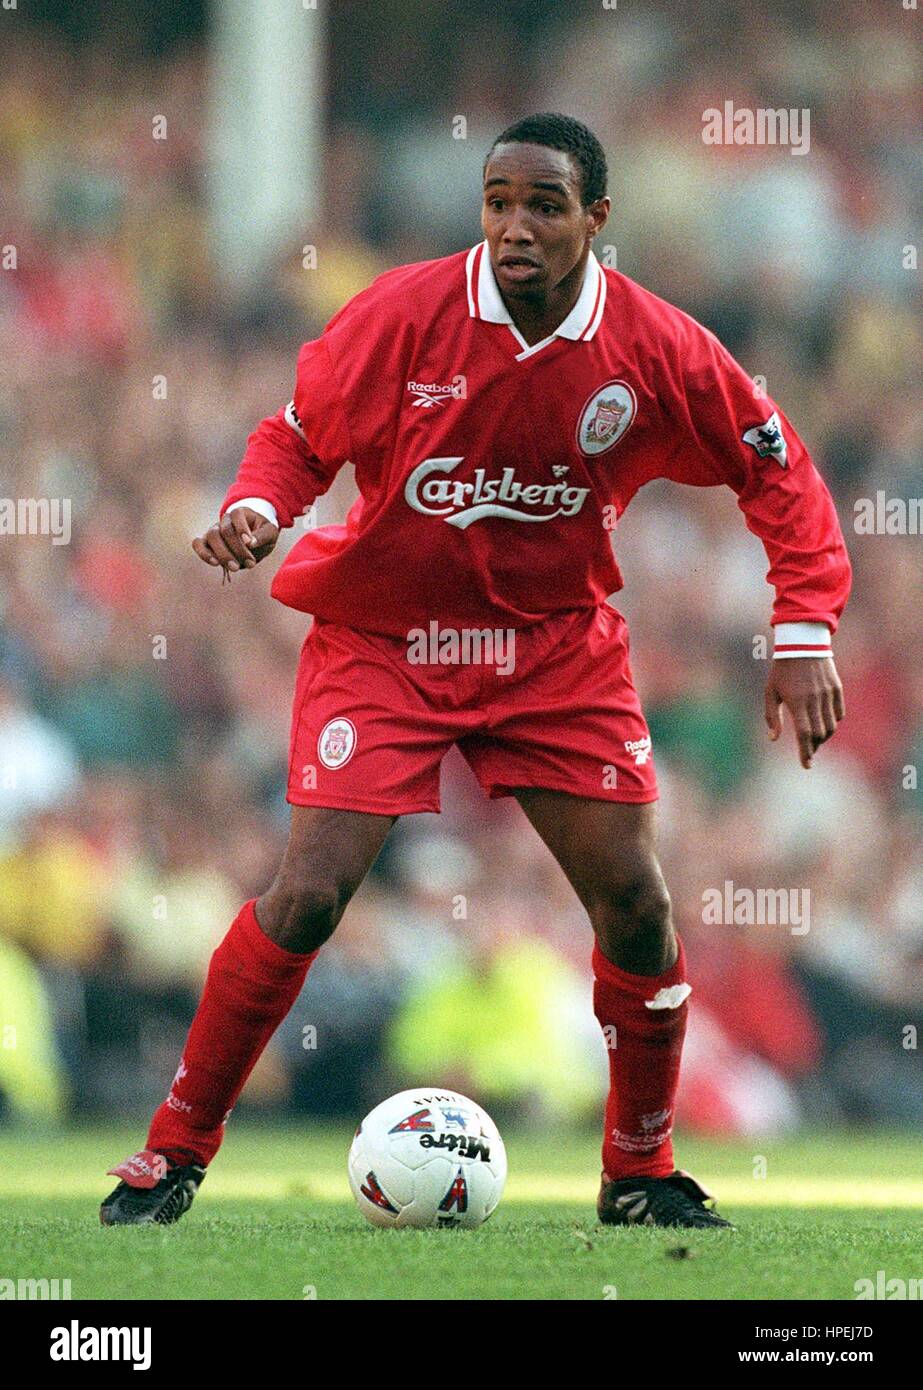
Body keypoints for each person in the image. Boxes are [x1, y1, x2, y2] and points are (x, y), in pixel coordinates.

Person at [101, 113, 849, 1229]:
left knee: (636, 907)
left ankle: (637, 1169)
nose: (514, 226)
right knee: (307, 892)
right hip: (386, 642)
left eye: (542, 205)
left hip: (553, 650)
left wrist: (802, 631)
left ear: (595, 220)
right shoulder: (404, 313)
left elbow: (773, 466)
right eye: (496, 201)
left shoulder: (653, 348)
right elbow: (299, 434)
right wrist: (258, 509)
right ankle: (173, 1151)